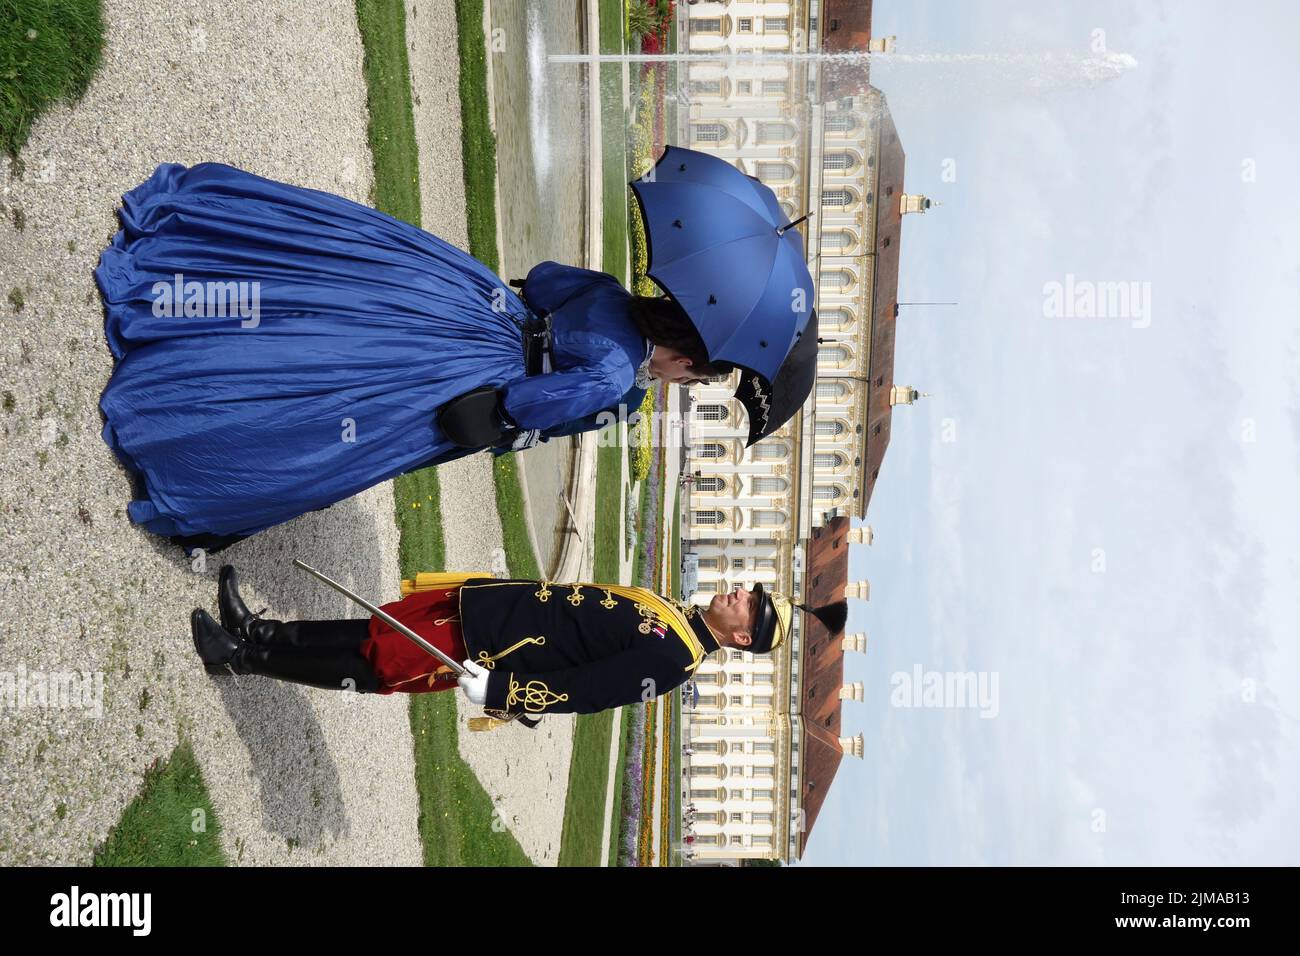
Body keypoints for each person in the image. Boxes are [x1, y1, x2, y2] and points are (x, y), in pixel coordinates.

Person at [96, 163, 730, 551]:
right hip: (474, 373)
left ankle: (184, 299)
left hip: (468, 301)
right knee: (332, 417)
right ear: (683, 357)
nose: (679, 381)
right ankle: (182, 437)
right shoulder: (615, 376)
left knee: (333, 295)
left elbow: (539, 280)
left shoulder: (613, 294)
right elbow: (521, 405)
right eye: (690, 374)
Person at [189, 565, 846, 728]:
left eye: (749, 605)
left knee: (373, 662)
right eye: (749, 591)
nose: (739, 593)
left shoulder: (674, 660)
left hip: (493, 652)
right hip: (492, 609)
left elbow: (588, 691)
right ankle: (260, 632)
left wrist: (502, 693)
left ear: (741, 636)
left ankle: (241, 659)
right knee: (376, 630)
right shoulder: (676, 614)